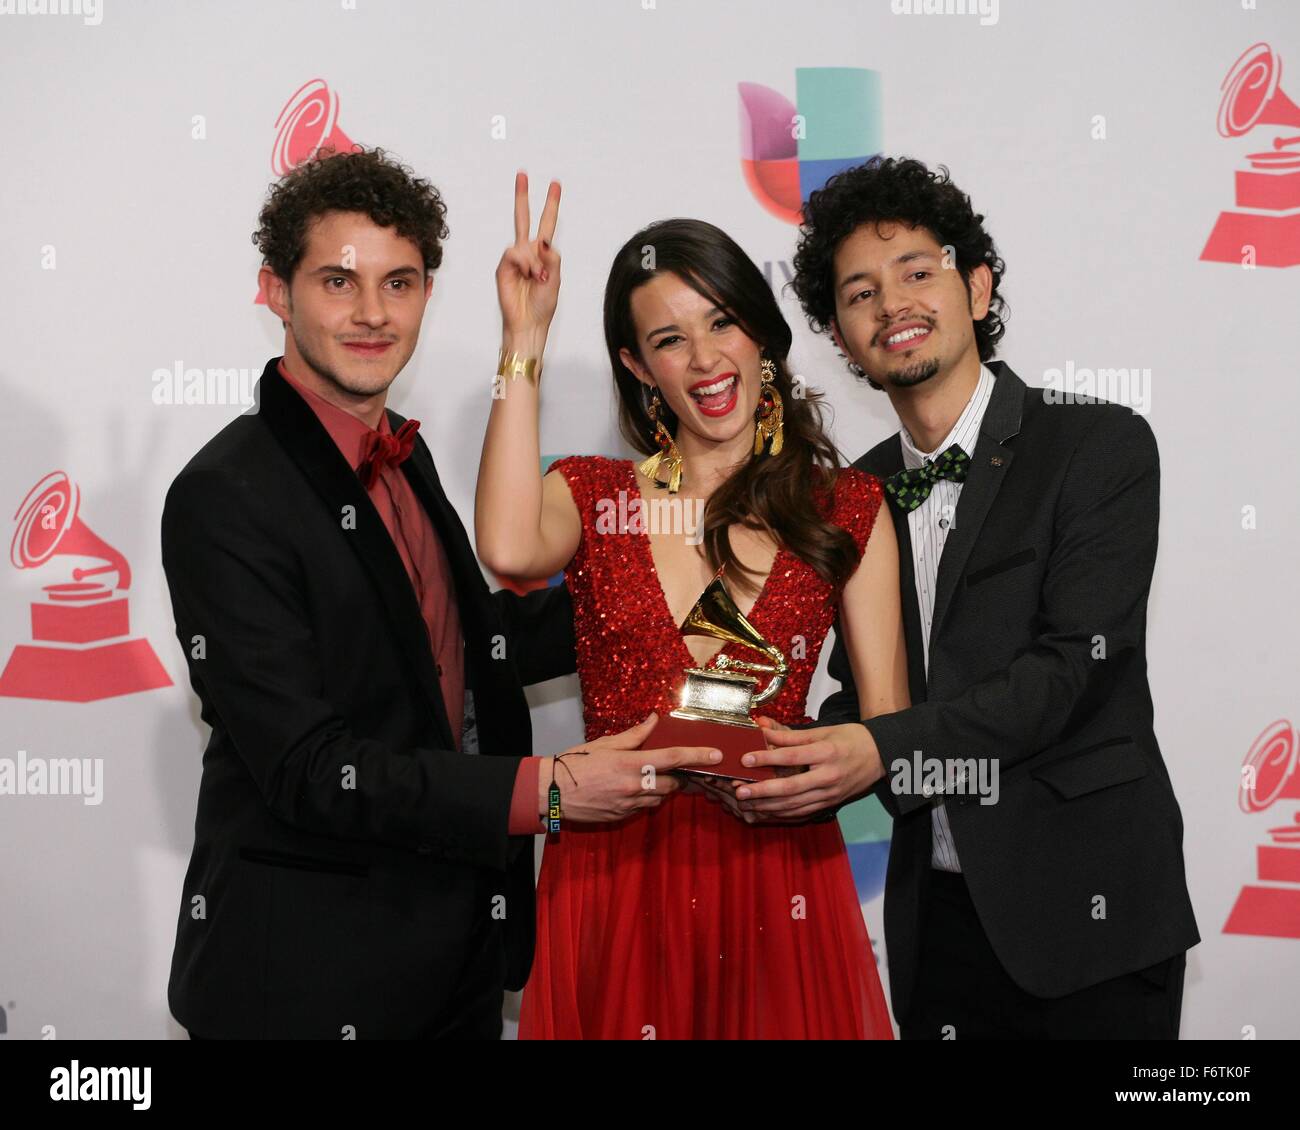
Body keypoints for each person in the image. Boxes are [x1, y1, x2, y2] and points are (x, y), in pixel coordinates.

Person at [162, 148, 722, 1039]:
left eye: (401, 282)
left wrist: (663, 586)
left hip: (456, 963)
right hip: (303, 981)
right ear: (275, 291)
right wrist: (543, 790)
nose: (373, 314)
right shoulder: (224, 495)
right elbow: (310, 768)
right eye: (338, 282)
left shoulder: (403, 454)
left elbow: (465, 646)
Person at [739, 156, 1200, 1039]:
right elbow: (868, 693)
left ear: (978, 286)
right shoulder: (854, 495)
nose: (893, 304)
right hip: (936, 927)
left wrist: (876, 747)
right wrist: (766, 752)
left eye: (918, 271)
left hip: (1087, 918)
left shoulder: (1097, 445)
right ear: (840, 338)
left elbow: (1070, 673)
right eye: (860, 292)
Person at [475, 173, 906, 1038]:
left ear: (761, 335)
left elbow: (890, 731)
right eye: (670, 340)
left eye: (723, 322)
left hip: (780, 886)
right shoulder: (593, 494)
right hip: (614, 884)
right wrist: (524, 338)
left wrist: (832, 770)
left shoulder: (850, 507)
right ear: (638, 368)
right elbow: (509, 546)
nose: (707, 360)